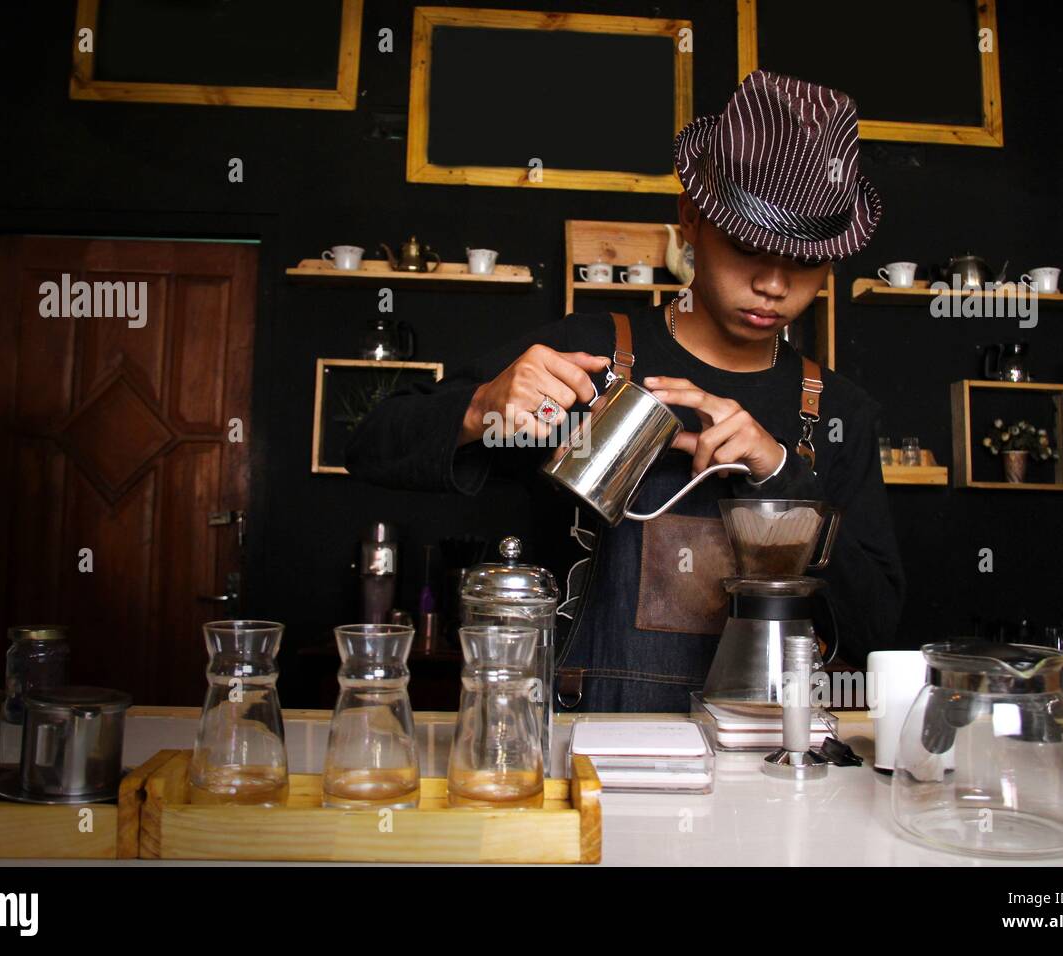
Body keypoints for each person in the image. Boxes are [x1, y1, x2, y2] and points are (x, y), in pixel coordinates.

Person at [347, 70, 904, 713]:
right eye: (751, 247)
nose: (776, 284)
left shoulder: (836, 412)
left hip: (762, 763)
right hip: (589, 746)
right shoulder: (585, 351)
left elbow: (876, 627)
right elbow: (370, 446)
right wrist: (480, 409)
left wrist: (780, 475)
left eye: (805, 261)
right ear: (691, 219)